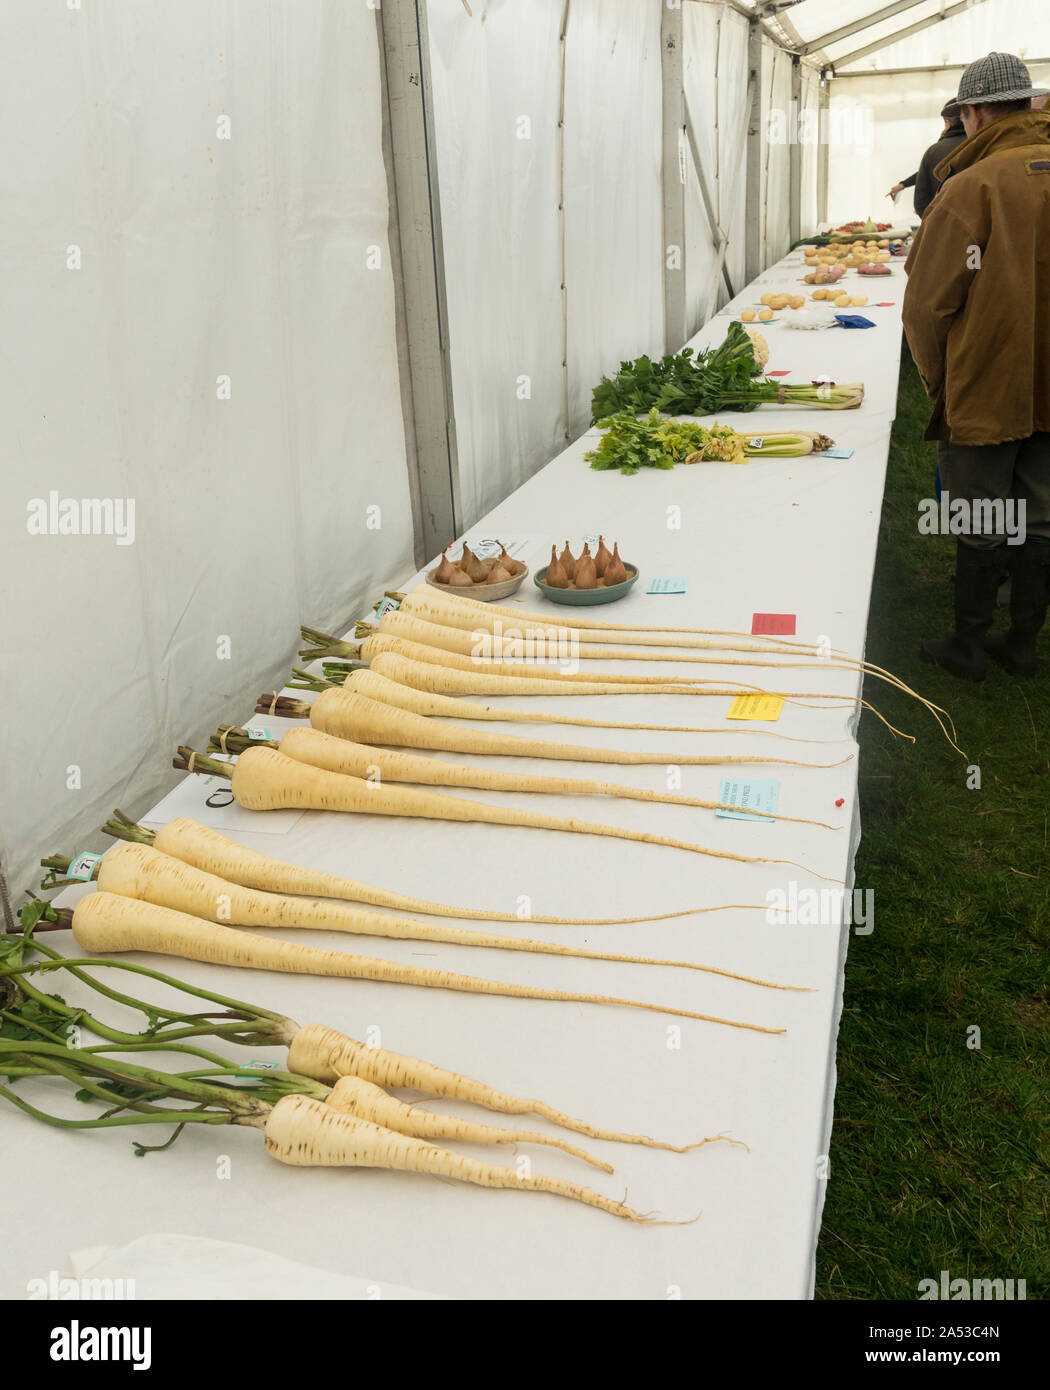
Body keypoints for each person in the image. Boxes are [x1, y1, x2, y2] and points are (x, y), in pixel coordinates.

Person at [903, 53, 1050, 679]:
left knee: (982, 513)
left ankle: (968, 647)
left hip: (989, 383)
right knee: (1041, 512)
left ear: (975, 112)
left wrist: (942, 386)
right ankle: (1022, 645)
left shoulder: (973, 186)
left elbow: (928, 305)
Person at [887, 102, 967, 216]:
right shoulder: (983, 145)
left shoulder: (934, 151)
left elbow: (921, 202)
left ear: (948, 123)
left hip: (943, 220)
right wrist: (903, 184)